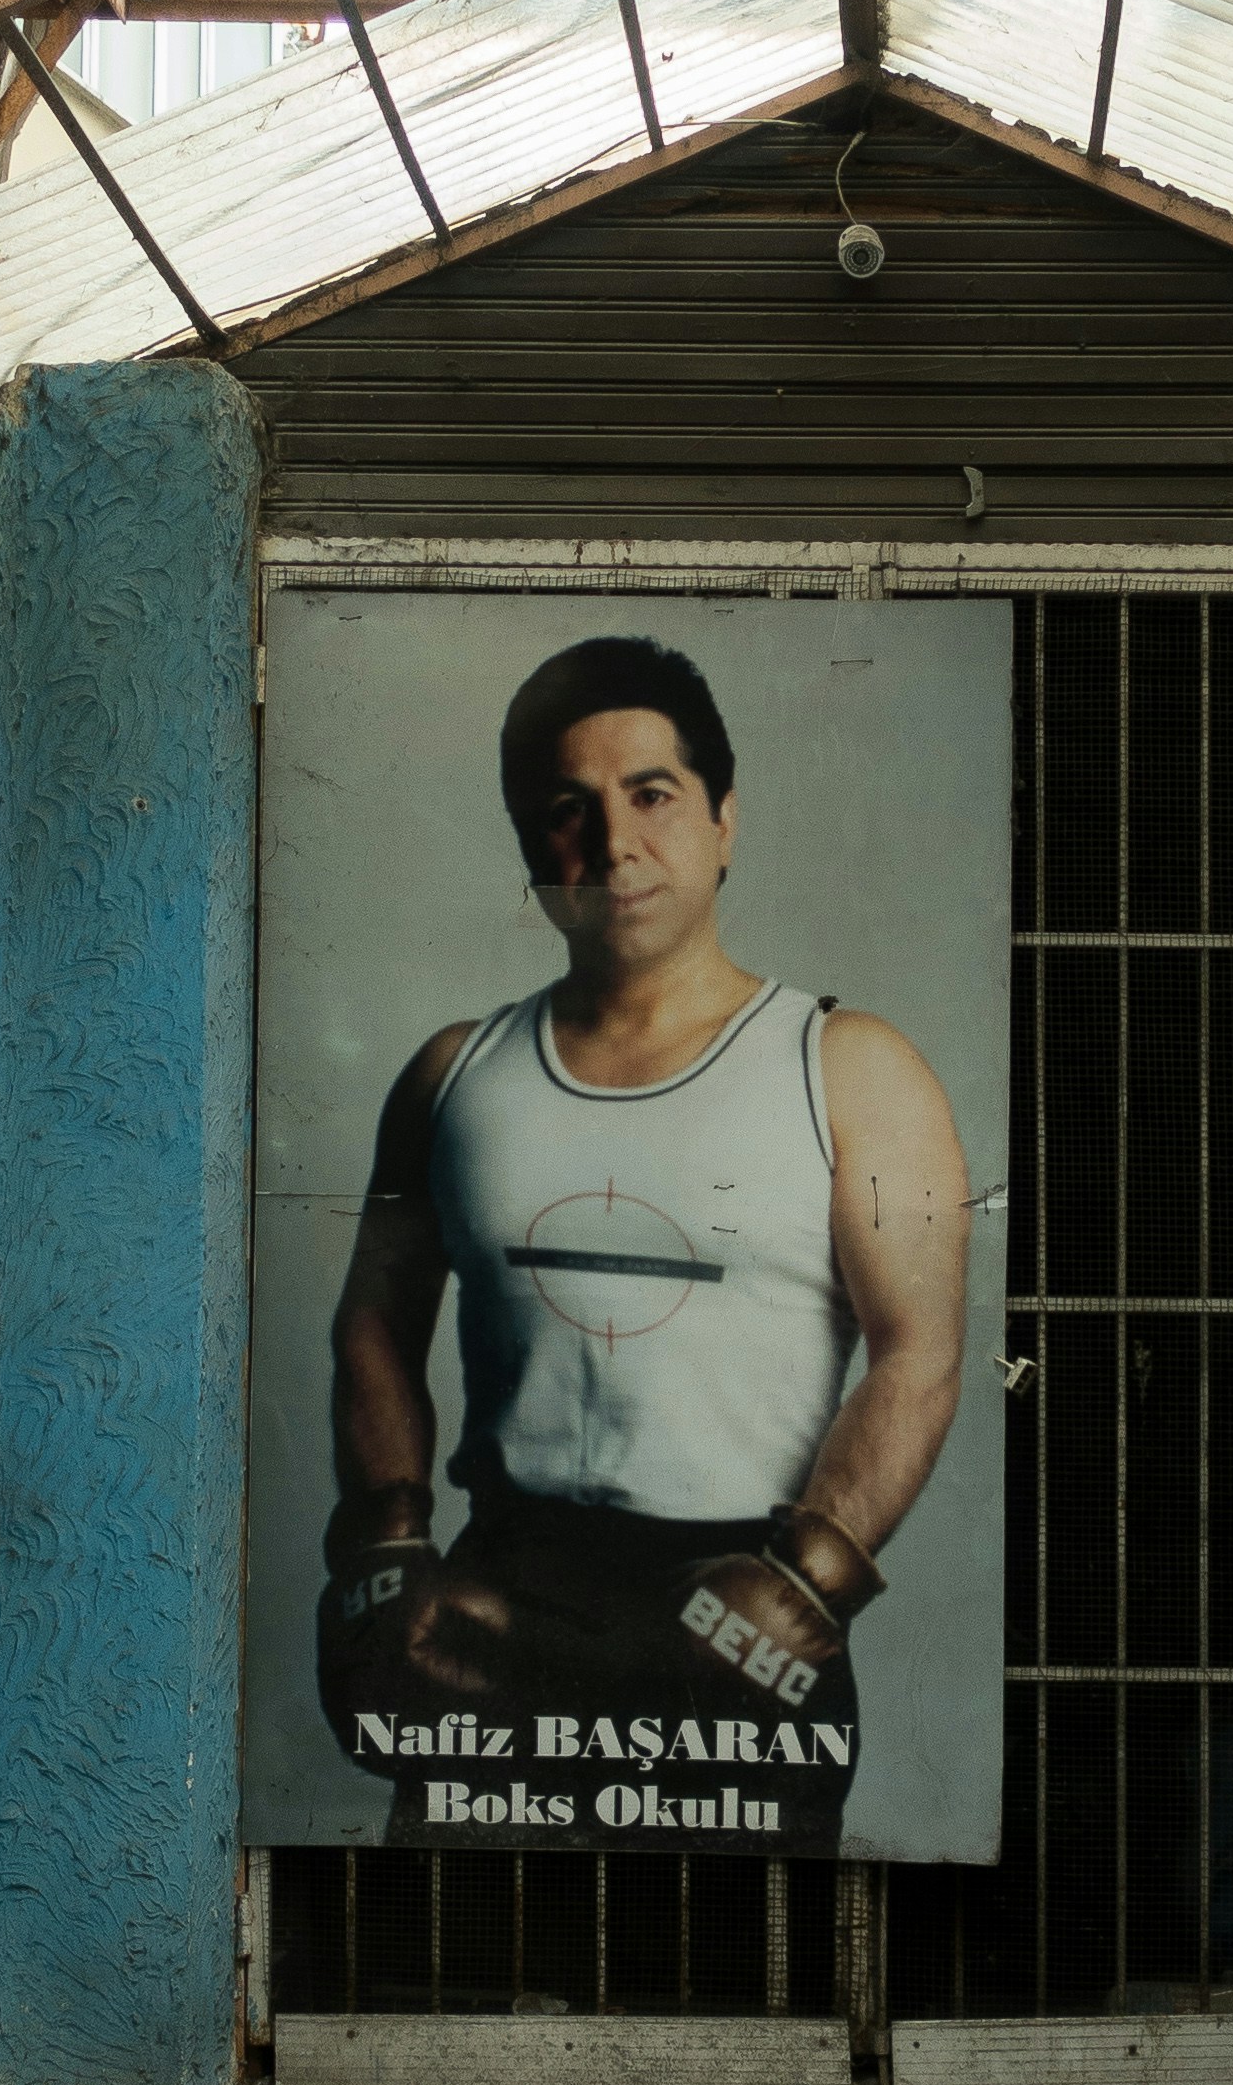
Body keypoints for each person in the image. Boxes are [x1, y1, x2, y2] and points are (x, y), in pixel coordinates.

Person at [318, 634, 969, 1860]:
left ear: (725, 819)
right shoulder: (454, 1074)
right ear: (530, 849)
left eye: (651, 795)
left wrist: (810, 1581)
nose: (613, 844)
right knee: (458, 1991)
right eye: (568, 811)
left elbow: (920, 1351)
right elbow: (373, 1319)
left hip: (736, 1595)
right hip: (500, 1587)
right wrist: (385, 1541)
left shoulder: (853, 1068)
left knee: (727, 2018)